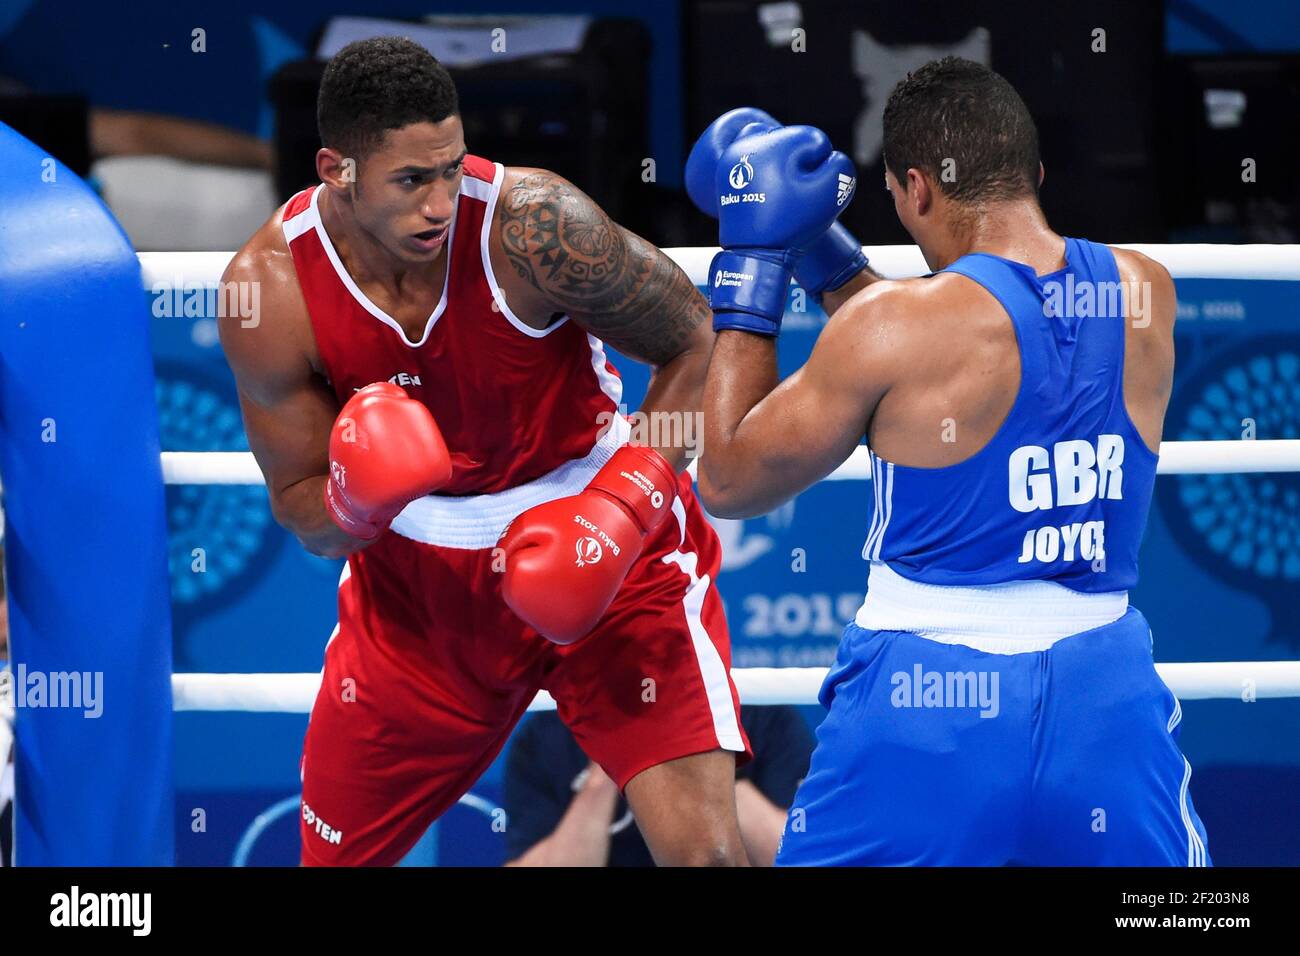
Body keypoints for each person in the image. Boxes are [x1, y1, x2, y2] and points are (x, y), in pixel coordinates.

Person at [218, 36, 752, 867]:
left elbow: (700, 345)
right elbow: (303, 509)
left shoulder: (532, 228)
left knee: (707, 858)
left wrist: (622, 508)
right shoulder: (271, 292)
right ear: (336, 169)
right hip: (419, 600)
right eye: (410, 180)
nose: (440, 202)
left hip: (611, 556)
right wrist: (355, 501)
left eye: (451, 167)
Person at [688, 56, 1210, 866]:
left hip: (926, 705)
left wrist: (757, 256)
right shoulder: (1146, 291)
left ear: (916, 190)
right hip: (1104, 701)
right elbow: (953, 334)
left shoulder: (895, 328)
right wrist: (822, 254)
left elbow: (724, 478)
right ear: (1033, 172)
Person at [504, 705, 815, 866]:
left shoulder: (766, 716)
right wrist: (609, 759)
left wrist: (706, 762)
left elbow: (795, 859)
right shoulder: (543, 736)